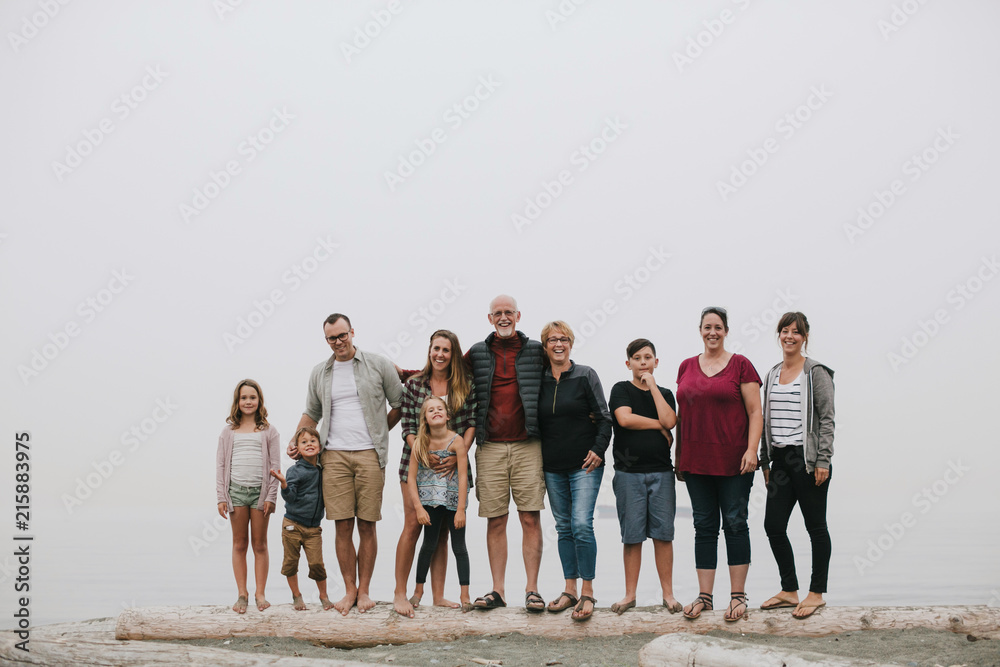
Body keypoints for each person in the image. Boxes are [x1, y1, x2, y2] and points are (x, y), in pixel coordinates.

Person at [288, 313, 404, 615]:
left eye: (342, 335)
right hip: (333, 455)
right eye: (331, 338)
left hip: (369, 453)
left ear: (352, 332)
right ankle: (349, 590)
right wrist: (295, 438)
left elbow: (401, 403)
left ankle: (365, 590)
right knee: (342, 525)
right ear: (326, 340)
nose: (338, 342)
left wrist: (380, 430)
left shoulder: (378, 365)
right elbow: (311, 413)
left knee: (367, 524)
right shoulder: (320, 373)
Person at [675, 307, 762, 623]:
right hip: (696, 462)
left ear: (726, 331)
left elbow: (755, 412)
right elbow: (683, 415)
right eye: (707, 327)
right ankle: (705, 597)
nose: (713, 332)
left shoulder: (741, 365)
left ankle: (738, 596)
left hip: (735, 461)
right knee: (704, 527)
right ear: (700, 330)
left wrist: (753, 450)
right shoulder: (686, 366)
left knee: (736, 523)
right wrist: (679, 459)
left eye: (718, 327)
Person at [468, 295, 546, 612]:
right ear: (490, 318)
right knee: (496, 520)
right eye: (497, 313)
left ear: (518, 316)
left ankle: (532, 590)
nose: (503, 317)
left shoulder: (536, 350)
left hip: (529, 444)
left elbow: (561, 375)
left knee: (530, 517)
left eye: (508, 312)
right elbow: (446, 374)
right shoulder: (476, 352)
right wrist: (405, 373)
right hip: (490, 446)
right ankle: (497, 591)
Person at [393, 330, 477, 617]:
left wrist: (457, 454)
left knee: (441, 534)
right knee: (414, 525)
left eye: (446, 350)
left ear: (454, 354)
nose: (440, 354)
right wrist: (423, 451)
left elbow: (470, 423)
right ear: (429, 350)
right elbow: (407, 426)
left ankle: (438, 595)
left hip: (454, 466)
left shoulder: (463, 386)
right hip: (416, 464)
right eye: (436, 348)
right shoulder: (415, 385)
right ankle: (400, 593)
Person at [758, 312, 835, 619]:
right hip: (779, 460)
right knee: (773, 526)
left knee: (815, 526)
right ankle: (790, 590)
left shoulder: (815, 372)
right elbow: (765, 420)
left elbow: (827, 418)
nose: (789, 336)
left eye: (796, 332)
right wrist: (764, 460)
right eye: (784, 331)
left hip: (808, 460)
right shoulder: (772, 373)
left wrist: (823, 460)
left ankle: (816, 593)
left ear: (804, 337)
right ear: (779, 335)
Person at [537, 321, 611, 622]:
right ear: (545, 346)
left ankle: (588, 590)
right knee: (564, 528)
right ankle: (569, 589)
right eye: (552, 340)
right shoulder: (539, 380)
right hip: (553, 467)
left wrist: (598, 449)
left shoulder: (585, 375)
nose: (559, 344)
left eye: (564, 339)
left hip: (585, 464)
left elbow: (605, 418)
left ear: (571, 343)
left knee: (581, 524)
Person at [607, 339, 681, 616]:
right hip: (629, 474)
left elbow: (670, 420)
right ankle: (630, 595)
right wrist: (658, 426)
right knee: (632, 536)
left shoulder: (664, 393)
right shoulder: (621, 389)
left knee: (664, 535)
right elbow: (625, 420)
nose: (642, 362)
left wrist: (652, 387)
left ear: (656, 362)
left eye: (648, 357)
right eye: (637, 358)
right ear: (629, 364)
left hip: (662, 471)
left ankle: (669, 594)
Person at [216, 379, 280, 613]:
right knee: (239, 543)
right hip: (236, 493)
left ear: (259, 400)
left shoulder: (269, 431)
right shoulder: (228, 432)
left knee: (260, 544)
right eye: (243, 398)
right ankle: (242, 593)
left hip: (260, 495)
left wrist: (271, 497)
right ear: (237, 401)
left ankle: (260, 593)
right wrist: (221, 497)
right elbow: (221, 465)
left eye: (252, 397)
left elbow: (275, 466)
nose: (248, 401)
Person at [407, 397, 471, 611]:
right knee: (428, 545)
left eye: (440, 409)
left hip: (454, 503)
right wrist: (418, 508)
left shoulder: (457, 441)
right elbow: (411, 478)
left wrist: (461, 509)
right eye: (430, 410)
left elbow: (463, 477)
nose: (436, 411)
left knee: (459, 547)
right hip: (430, 504)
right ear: (424, 418)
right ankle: (418, 591)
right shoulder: (419, 443)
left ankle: (465, 596)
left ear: (447, 415)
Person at [270, 426, 333, 611]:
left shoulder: (323, 469)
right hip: (292, 524)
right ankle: (296, 595)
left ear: (320, 446)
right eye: (304, 442)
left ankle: (324, 595)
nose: (309, 444)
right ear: (297, 448)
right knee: (291, 563)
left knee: (317, 564)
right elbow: (290, 497)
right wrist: (283, 484)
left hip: (314, 528)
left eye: (313, 441)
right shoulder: (294, 471)